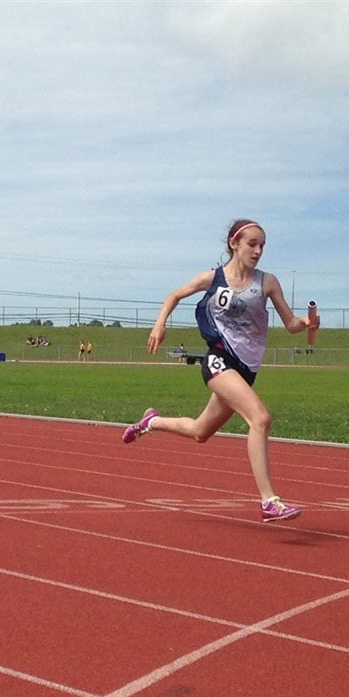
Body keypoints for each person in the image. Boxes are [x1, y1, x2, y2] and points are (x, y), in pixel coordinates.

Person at [122, 219, 314, 522]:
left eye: (262, 245)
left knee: (200, 432)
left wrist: (306, 323)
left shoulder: (268, 282)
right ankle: (269, 501)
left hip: (246, 370)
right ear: (234, 244)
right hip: (219, 361)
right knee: (260, 418)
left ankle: (151, 422)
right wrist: (160, 324)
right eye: (252, 244)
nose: (258, 251)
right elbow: (174, 295)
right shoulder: (213, 278)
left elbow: (290, 324)